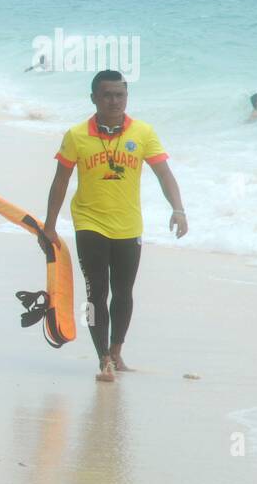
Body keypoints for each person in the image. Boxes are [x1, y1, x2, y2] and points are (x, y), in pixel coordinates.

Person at [42, 70, 187, 383]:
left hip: (128, 225)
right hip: (89, 222)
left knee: (123, 293)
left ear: (127, 98)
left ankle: (117, 350)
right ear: (93, 98)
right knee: (97, 292)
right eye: (106, 95)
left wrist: (178, 209)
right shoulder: (76, 135)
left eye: (119, 95)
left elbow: (164, 174)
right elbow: (60, 181)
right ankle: (103, 357)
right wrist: (49, 226)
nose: (114, 101)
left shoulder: (143, 133)